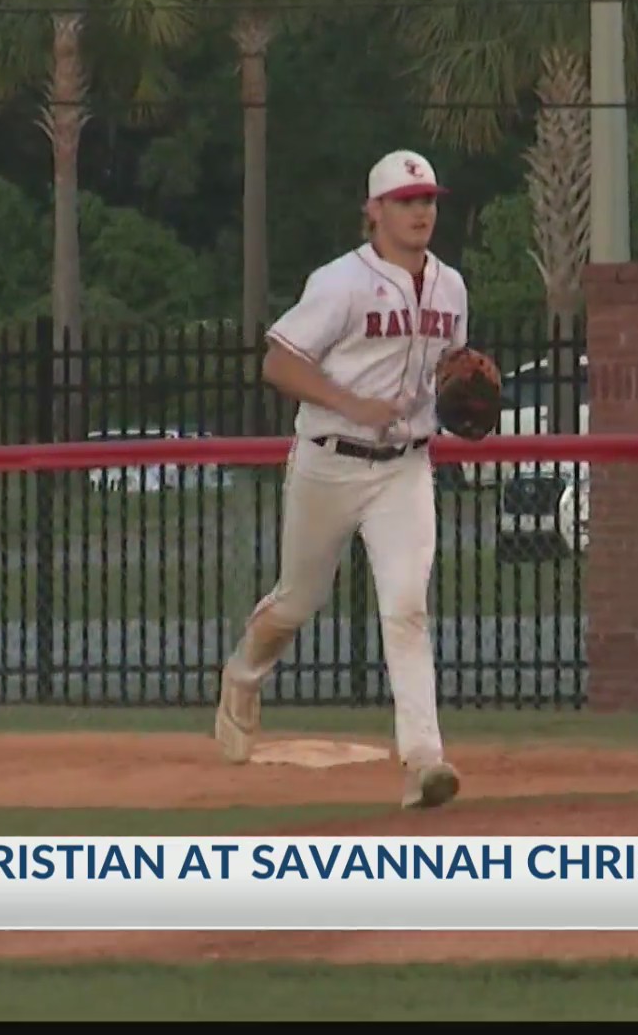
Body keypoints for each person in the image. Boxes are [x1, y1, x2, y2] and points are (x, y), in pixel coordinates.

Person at [214, 149, 469, 810]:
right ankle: (244, 673)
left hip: (405, 468)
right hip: (328, 458)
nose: (421, 212)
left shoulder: (451, 286)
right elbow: (279, 363)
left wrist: (462, 399)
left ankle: (425, 761)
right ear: (374, 211)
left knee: (406, 606)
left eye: (429, 200)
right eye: (407, 201)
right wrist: (353, 403)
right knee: (298, 601)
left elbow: (449, 372)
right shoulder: (341, 282)